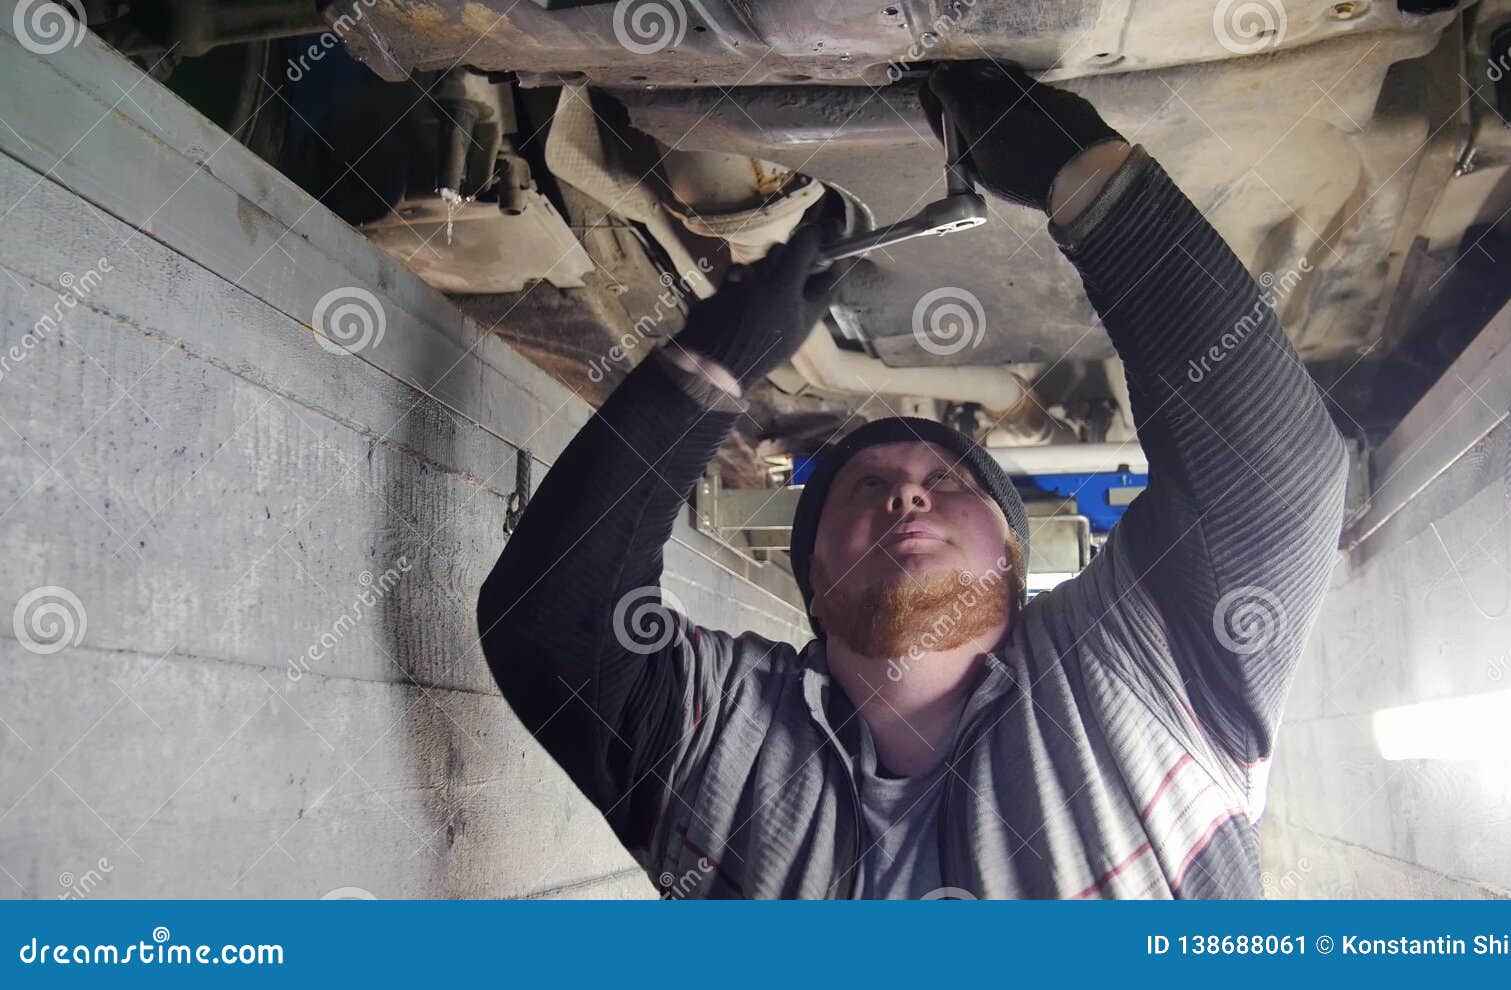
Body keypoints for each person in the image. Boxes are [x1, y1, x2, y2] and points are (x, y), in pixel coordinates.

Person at [476, 62, 1348, 899]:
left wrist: (1089, 180)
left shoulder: (1133, 678)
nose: (906, 495)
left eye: (953, 482)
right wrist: (717, 367)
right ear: (812, 580)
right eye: (862, 488)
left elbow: (1273, 481)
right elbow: (557, 633)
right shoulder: (726, 730)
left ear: (1012, 558)